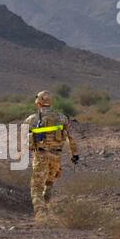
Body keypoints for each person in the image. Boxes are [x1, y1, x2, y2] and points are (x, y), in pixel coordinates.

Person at [25, 91, 80, 222]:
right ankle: (47, 210)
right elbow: (71, 138)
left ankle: (41, 214)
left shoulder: (32, 119)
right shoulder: (62, 118)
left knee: (36, 187)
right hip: (56, 156)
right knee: (49, 183)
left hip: (41, 156)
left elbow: (24, 140)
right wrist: (75, 154)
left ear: (38, 102)